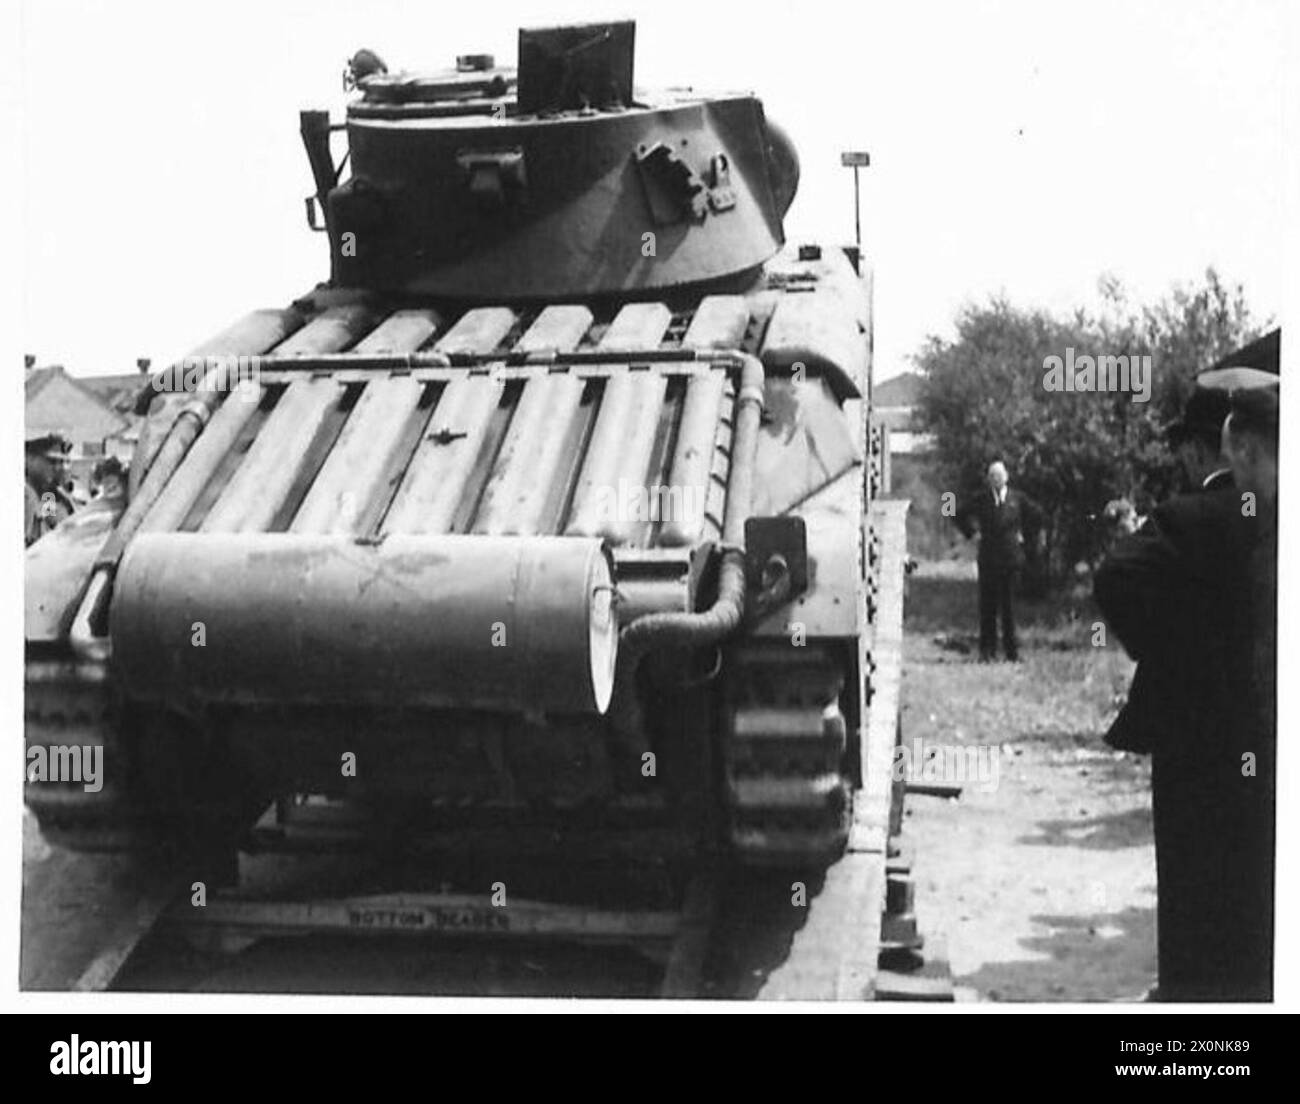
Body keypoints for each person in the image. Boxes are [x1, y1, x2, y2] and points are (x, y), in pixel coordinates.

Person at [1094, 377, 1277, 1001]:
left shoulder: (1193, 520)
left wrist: (1168, 649)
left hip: (1201, 746)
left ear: (1217, 450)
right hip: (1269, 743)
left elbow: (1115, 576)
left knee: (1196, 883)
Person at [955, 460, 1040, 661]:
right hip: (988, 559)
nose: (996, 479)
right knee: (988, 607)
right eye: (993, 476)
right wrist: (972, 533)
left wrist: (1026, 537)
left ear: (1006, 477)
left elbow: (1037, 515)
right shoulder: (982, 499)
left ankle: (1012, 652)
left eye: (1000, 476)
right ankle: (987, 652)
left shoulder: (1017, 499)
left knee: (1009, 608)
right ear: (988, 479)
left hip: (1010, 559)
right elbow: (956, 513)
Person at [24, 433, 76, 547]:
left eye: (62, 462)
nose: (60, 468)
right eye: (52, 461)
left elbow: (51, 525)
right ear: (29, 459)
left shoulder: (48, 493)